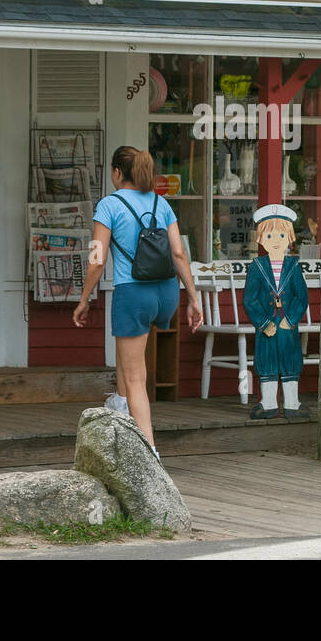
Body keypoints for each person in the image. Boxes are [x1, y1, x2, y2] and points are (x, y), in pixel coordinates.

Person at [74, 146, 203, 460]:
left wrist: (84, 298)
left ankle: (150, 452)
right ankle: (119, 405)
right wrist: (193, 298)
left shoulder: (109, 204)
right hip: (167, 293)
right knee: (128, 357)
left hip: (133, 294)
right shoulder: (162, 202)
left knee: (136, 377)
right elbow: (179, 254)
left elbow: (97, 258)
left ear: (118, 173)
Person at [243, 204, 310, 419]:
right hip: (268, 323)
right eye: (270, 234)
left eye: (281, 234)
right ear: (261, 239)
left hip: (287, 323)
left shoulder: (293, 266)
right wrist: (262, 322)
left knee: (291, 357)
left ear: (289, 237)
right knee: (267, 358)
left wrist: (291, 319)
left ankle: (292, 403)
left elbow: (301, 296)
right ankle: (269, 403)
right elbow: (250, 298)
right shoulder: (257, 266)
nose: (276, 240)